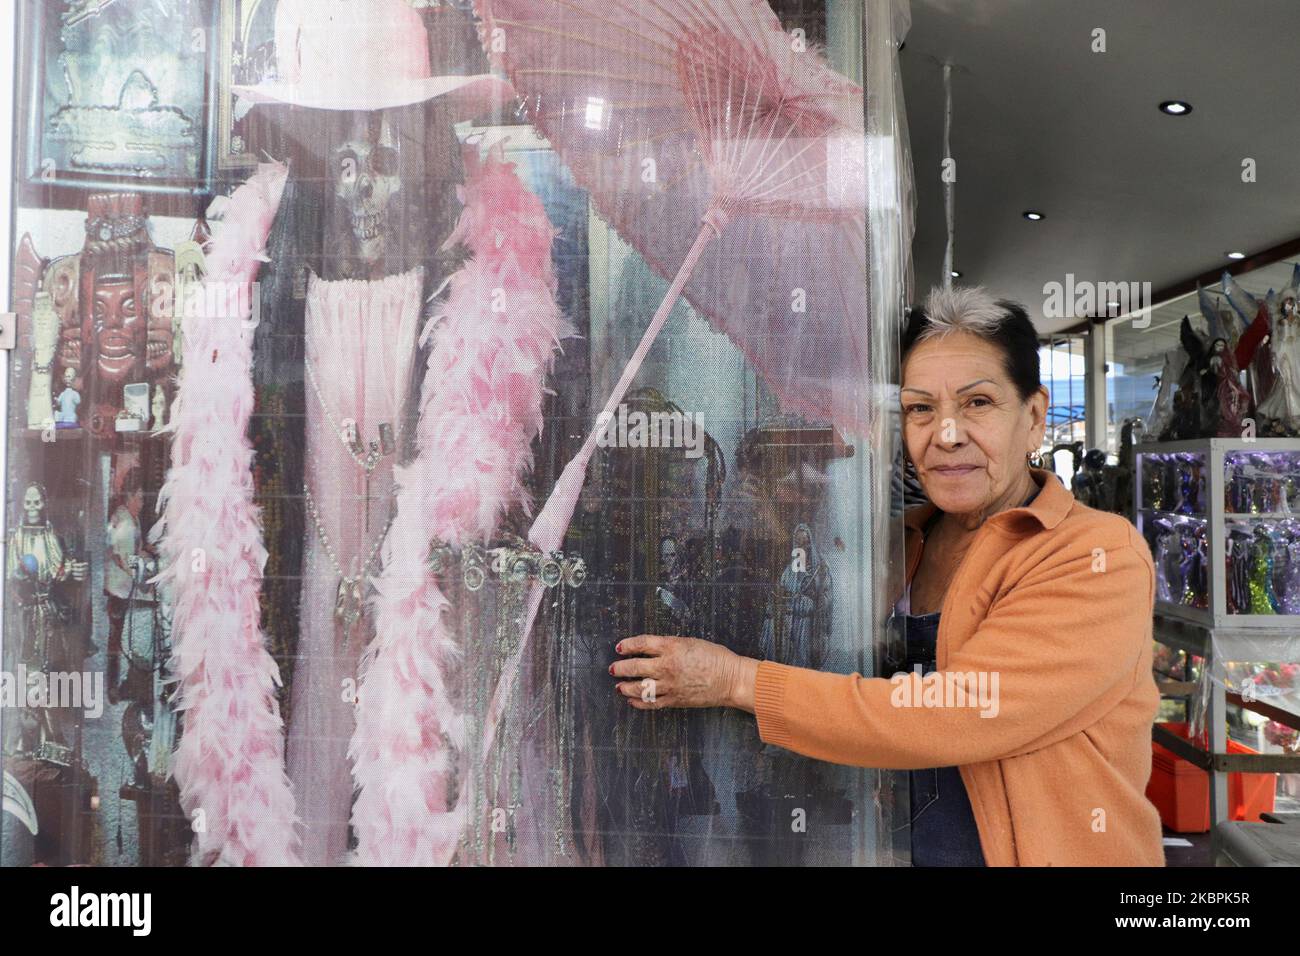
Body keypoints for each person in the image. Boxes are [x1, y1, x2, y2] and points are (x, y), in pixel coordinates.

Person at [611, 286, 1165, 867]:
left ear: (1032, 417)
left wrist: (735, 682)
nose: (946, 435)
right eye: (921, 408)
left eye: (977, 403)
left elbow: (952, 715)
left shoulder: (1095, 556)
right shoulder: (894, 544)